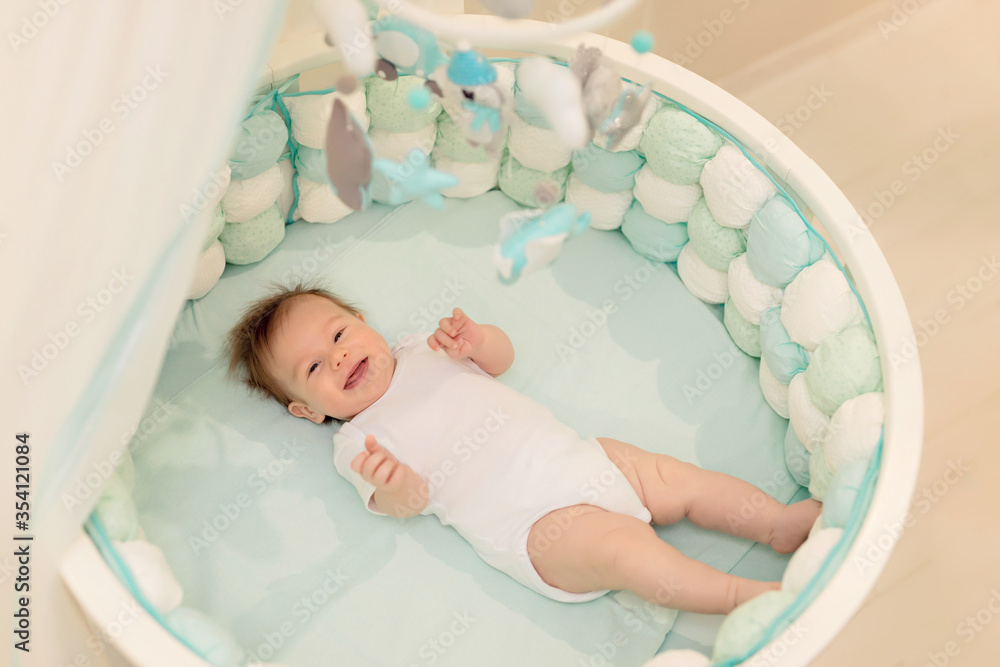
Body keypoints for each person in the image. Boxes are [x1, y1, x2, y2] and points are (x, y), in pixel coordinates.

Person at [224, 281, 820, 614]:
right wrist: (394, 482)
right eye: (314, 367)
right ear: (308, 410)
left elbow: (500, 363)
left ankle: (775, 524)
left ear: (361, 318)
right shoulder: (357, 442)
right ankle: (746, 598)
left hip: (585, 459)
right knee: (626, 550)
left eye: (339, 334)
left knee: (672, 476)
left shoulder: (422, 347)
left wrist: (478, 341)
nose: (340, 357)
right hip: (537, 526)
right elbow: (406, 503)